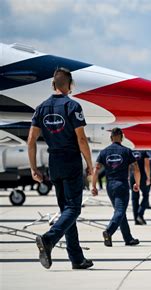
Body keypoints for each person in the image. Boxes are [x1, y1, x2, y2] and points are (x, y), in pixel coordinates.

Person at [27, 67, 93, 269]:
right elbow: (81, 139)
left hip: (54, 162)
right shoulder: (73, 106)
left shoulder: (41, 108)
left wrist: (33, 169)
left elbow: (31, 141)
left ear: (53, 84)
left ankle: (77, 259)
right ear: (70, 85)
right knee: (73, 209)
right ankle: (49, 239)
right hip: (71, 160)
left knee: (66, 210)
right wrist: (90, 165)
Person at [91, 128, 140, 247]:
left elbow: (96, 170)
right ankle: (109, 231)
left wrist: (93, 186)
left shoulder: (103, 152)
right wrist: (137, 183)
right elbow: (136, 168)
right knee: (120, 210)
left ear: (111, 138)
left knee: (119, 211)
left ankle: (128, 238)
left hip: (110, 186)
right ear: (122, 137)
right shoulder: (127, 151)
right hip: (121, 185)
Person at [131, 150, 151, 225]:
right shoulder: (144, 152)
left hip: (132, 175)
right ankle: (140, 214)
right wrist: (148, 177)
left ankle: (136, 220)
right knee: (146, 195)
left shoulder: (130, 152)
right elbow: (147, 165)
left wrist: (128, 176)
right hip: (142, 176)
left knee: (134, 198)